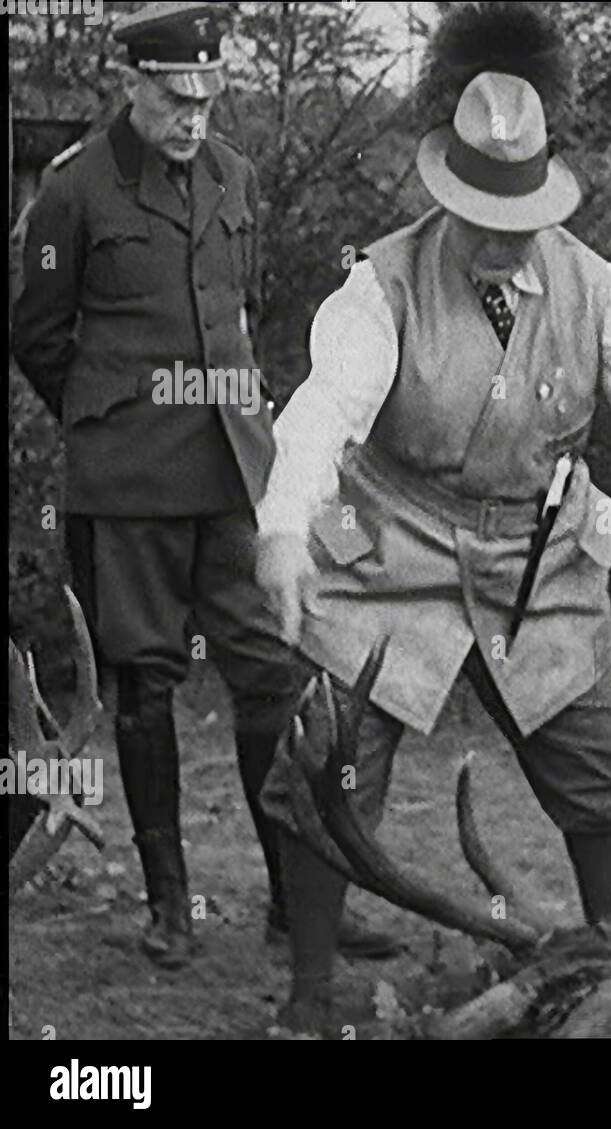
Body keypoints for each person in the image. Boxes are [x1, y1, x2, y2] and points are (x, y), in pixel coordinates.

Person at [255, 67, 611, 1032]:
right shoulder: (380, 288)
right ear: (445, 196)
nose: (499, 238)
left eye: (516, 216)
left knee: (608, 781)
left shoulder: (598, 291)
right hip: (387, 541)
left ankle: (609, 971)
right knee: (332, 765)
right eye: (479, 215)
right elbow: (322, 414)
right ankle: (309, 995)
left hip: (536, 555)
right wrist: (285, 526)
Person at [11, 1, 396, 970]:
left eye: (206, 98)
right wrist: (108, 417)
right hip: (126, 487)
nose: (193, 117)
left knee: (273, 675)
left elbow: (244, 304)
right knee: (146, 688)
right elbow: (37, 333)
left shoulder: (235, 177)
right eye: (176, 98)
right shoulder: (72, 192)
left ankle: (290, 895)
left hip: (234, 476)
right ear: (132, 83)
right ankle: (170, 905)